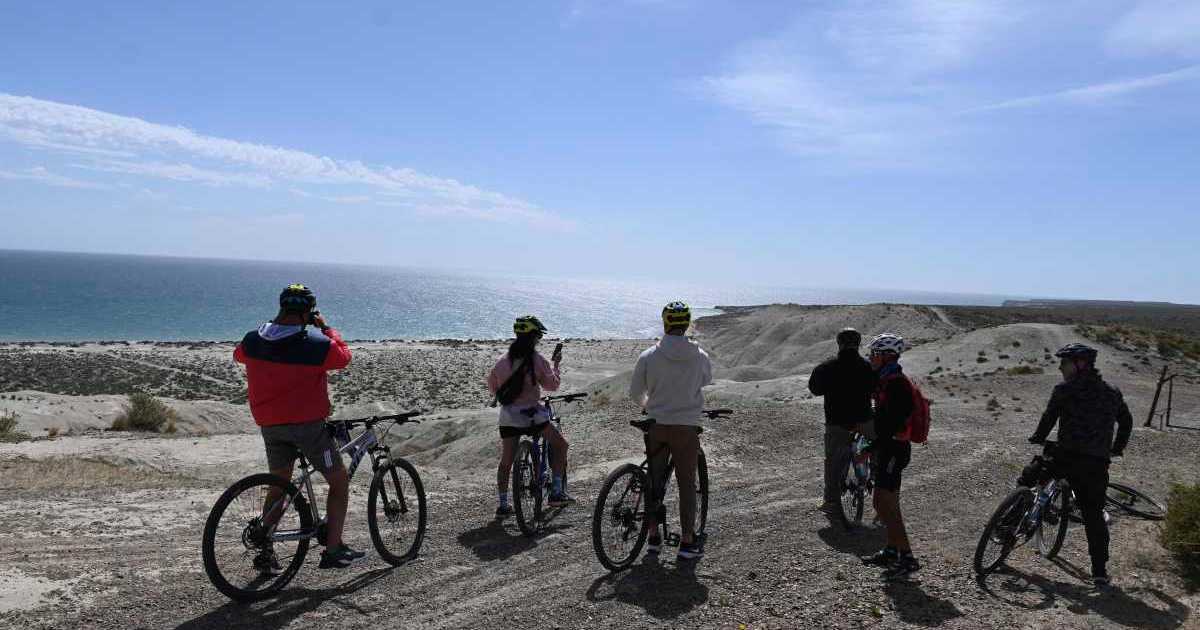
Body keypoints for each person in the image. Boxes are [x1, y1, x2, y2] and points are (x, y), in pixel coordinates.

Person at [233, 284, 360, 571]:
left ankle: (265, 551)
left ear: (281, 308)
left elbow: (239, 355)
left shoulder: (255, 340)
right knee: (338, 482)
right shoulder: (315, 345)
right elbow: (343, 358)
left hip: (270, 425)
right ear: (307, 313)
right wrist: (327, 328)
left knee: (279, 485)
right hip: (308, 428)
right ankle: (334, 549)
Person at [1029, 342, 1132, 587]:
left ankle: (1005, 527)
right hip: (1096, 463)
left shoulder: (1065, 389)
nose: (1059, 367)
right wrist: (1116, 449)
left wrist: (1038, 437)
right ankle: (1098, 572)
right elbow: (1126, 422)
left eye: (1064, 362)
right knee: (1093, 514)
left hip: (1066, 457)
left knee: (1030, 477)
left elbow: (1048, 418)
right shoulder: (1112, 391)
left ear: (1079, 364)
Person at [629, 301, 713, 561]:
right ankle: (687, 542)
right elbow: (706, 381)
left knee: (654, 481)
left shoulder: (648, 355)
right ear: (686, 324)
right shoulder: (700, 356)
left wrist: (648, 406)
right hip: (686, 427)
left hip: (657, 425)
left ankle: (653, 537)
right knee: (687, 484)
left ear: (665, 323)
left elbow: (634, 393)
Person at [487, 315, 572, 517]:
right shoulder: (538, 360)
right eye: (538, 337)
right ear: (533, 337)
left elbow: (492, 388)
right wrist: (556, 365)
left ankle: (503, 505)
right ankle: (557, 492)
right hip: (532, 417)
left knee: (506, 460)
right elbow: (552, 386)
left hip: (508, 418)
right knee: (561, 445)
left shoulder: (501, 361)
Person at [859, 332, 920, 580]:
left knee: (888, 505)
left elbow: (892, 424)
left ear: (886, 356)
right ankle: (892, 549)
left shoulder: (897, 384)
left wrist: (870, 449)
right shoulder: (886, 380)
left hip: (894, 450)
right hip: (887, 448)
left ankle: (907, 557)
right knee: (879, 502)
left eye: (874, 354)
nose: (871, 358)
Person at [808, 327, 876, 523]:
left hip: (837, 423)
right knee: (876, 446)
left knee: (832, 462)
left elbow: (815, 389)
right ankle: (876, 480)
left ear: (839, 344)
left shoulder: (826, 367)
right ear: (858, 343)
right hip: (864, 421)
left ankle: (830, 501)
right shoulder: (868, 366)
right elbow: (876, 388)